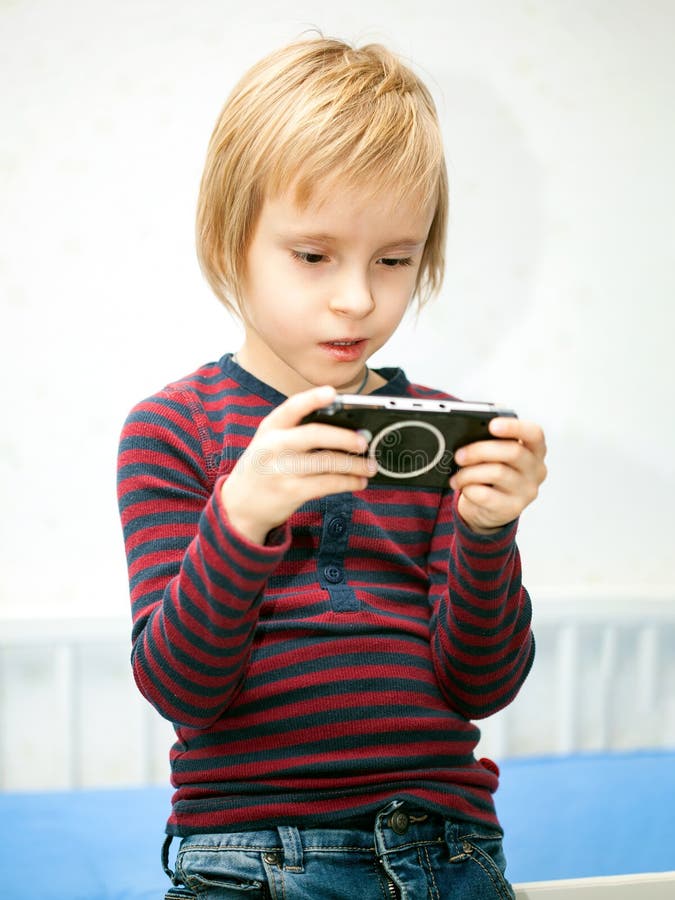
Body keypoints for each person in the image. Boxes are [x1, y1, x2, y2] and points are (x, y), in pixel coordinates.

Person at [117, 35, 547, 900]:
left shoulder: (437, 434)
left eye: (393, 260)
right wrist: (239, 520)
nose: (357, 297)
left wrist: (486, 531)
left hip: (445, 846)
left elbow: (482, 682)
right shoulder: (174, 429)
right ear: (229, 238)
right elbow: (180, 688)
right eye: (313, 256)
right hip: (249, 855)